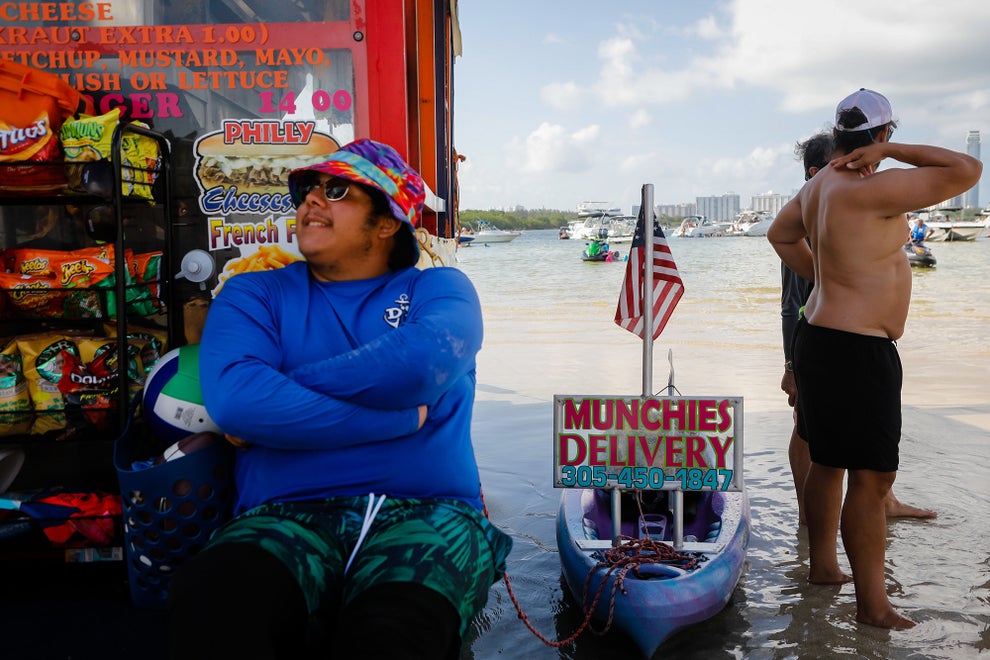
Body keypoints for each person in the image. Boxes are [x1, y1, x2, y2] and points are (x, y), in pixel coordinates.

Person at [167, 138, 513, 659]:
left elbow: (422, 364)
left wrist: (277, 385)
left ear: (387, 221)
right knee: (217, 606)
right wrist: (396, 420)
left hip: (429, 515)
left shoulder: (440, 290)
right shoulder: (254, 294)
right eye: (307, 188)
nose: (311, 200)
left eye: (335, 189)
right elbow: (236, 403)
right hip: (282, 515)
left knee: (396, 635)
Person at [768, 88, 981, 630]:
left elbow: (780, 233)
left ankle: (822, 568)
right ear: (882, 135)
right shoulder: (877, 187)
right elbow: (968, 167)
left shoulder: (818, 186)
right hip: (858, 349)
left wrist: (825, 279)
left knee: (825, 458)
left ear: (838, 137)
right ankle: (873, 606)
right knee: (873, 477)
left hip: (818, 336)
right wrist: (893, 153)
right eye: (887, 138)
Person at [781, 133, 936, 526]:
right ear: (817, 173)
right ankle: (809, 519)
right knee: (816, 443)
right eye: (851, 163)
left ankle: (873, 508)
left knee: (842, 449)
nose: (864, 171)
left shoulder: (831, 211)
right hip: (828, 344)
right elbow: (792, 307)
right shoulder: (816, 214)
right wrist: (791, 367)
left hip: (833, 343)